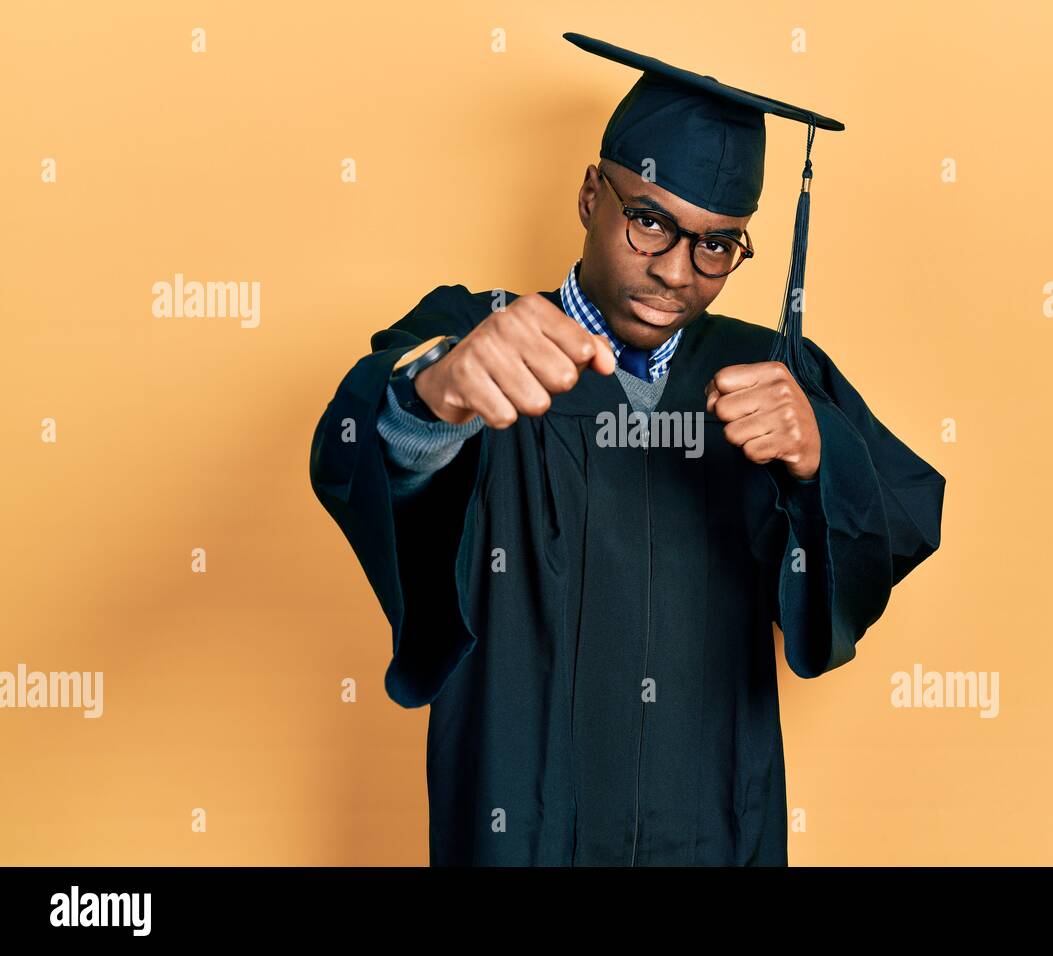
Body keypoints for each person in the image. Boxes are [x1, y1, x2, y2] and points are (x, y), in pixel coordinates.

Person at [308, 33, 946, 866]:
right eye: (649, 222)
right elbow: (360, 445)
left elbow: (896, 521)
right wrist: (437, 393)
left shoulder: (775, 374)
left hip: (711, 816)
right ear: (589, 196)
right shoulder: (477, 333)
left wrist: (825, 459)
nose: (679, 271)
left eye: (717, 244)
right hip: (519, 815)